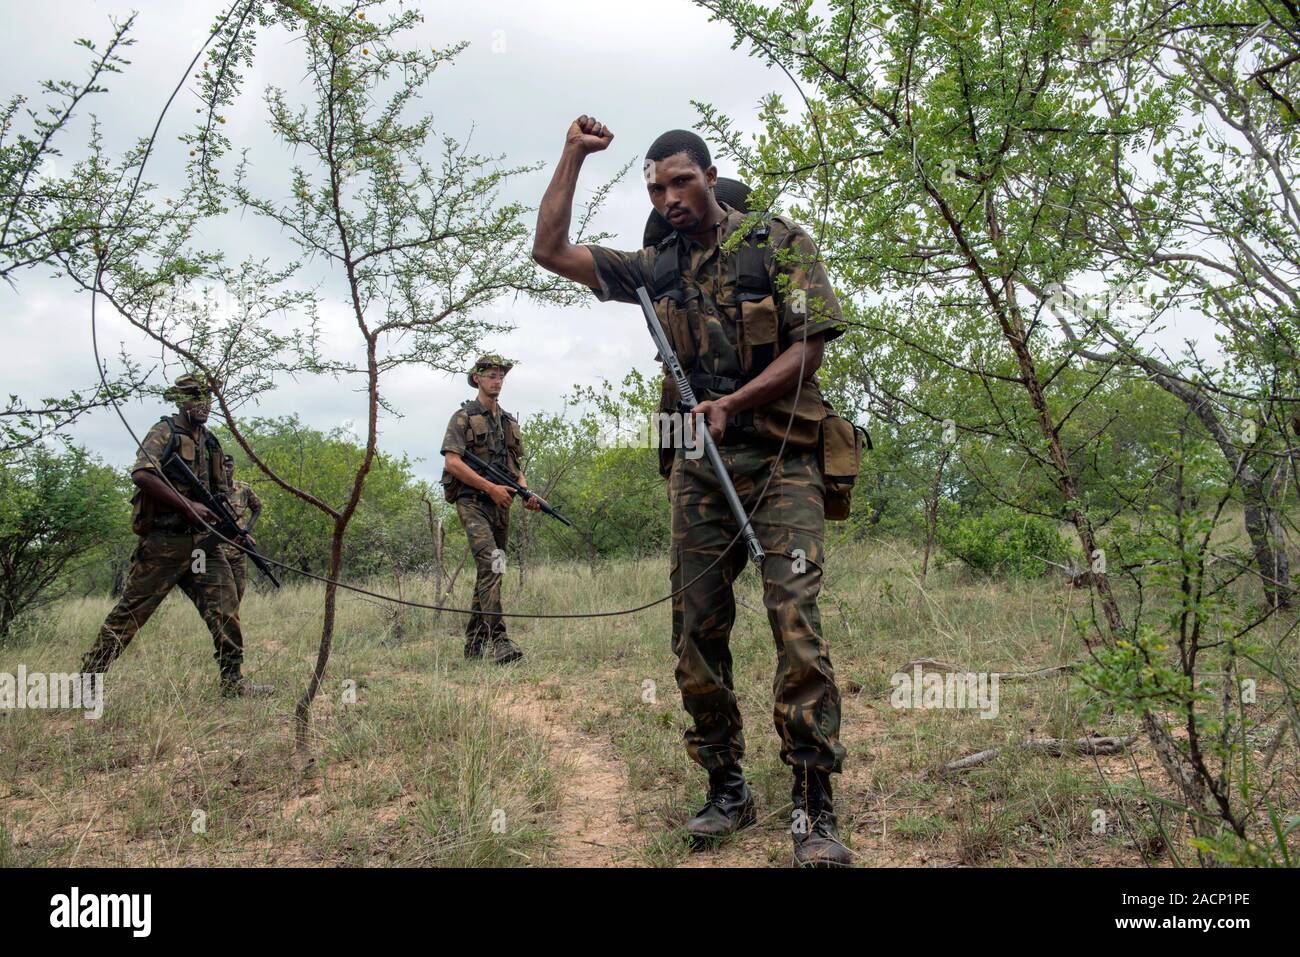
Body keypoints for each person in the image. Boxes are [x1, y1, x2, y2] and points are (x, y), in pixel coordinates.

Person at [532, 117, 852, 866]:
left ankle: (813, 803)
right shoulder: (653, 265)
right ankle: (726, 785)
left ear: (708, 176)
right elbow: (549, 250)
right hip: (696, 461)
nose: (669, 196)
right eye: (655, 187)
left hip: (781, 452)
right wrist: (574, 154)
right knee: (694, 630)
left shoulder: (778, 244)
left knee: (794, 618)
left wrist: (735, 404)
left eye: (680, 181)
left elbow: (812, 345)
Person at [79, 374, 273, 698]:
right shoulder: (164, 432)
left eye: (207, 398)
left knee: (226, 608)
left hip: (201, 549)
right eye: (195, 397)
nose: (203, 404)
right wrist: (187, 505)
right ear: (181, 401)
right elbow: (142, 474)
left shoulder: (211, 442)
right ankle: (87, 681)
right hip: (165, 545)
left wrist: (235, 532)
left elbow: (220, 497)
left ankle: (232, 682)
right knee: (131, 613)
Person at [440, 354, 541, 664]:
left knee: (491, 570)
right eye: (491, 375)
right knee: (493, 563)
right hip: (472, 501)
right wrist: (490, 488)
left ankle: (473, 643)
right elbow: (452, 462)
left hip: (502, 504)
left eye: (500, 376)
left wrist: (526, 490)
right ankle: (500, 641)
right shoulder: (463, 417)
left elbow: (515, 467)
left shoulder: (509, 422)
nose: (497, 380)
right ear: (477, 379)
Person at [220, 454, 262, 604]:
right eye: (223, 465)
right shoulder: (212, 490)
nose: (226, 469)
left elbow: (257, 507)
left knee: (239, 591)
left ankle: (230, 623)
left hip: (238, 549)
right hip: (217, 550)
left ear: (234, 468)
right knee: (220, 594)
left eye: (229, 466)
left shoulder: (243, 489)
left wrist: (247, 529)